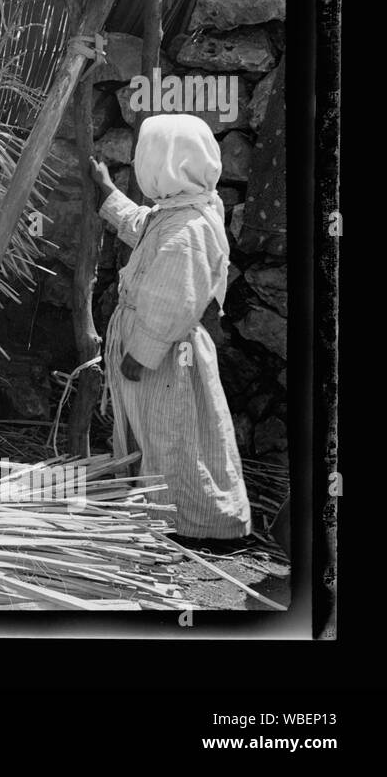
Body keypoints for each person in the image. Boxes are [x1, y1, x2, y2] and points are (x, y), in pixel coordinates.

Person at [89, 114, 252, 545]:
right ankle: (169, 513)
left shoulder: (189, 230)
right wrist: (109, 196)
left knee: (172, 439)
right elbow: (143, 227)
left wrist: (141, 353)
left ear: (161, 164)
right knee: (159, 434)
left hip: (162, 359)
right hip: (160, 355)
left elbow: (171, 301)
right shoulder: (181, 212)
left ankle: (196, 526)